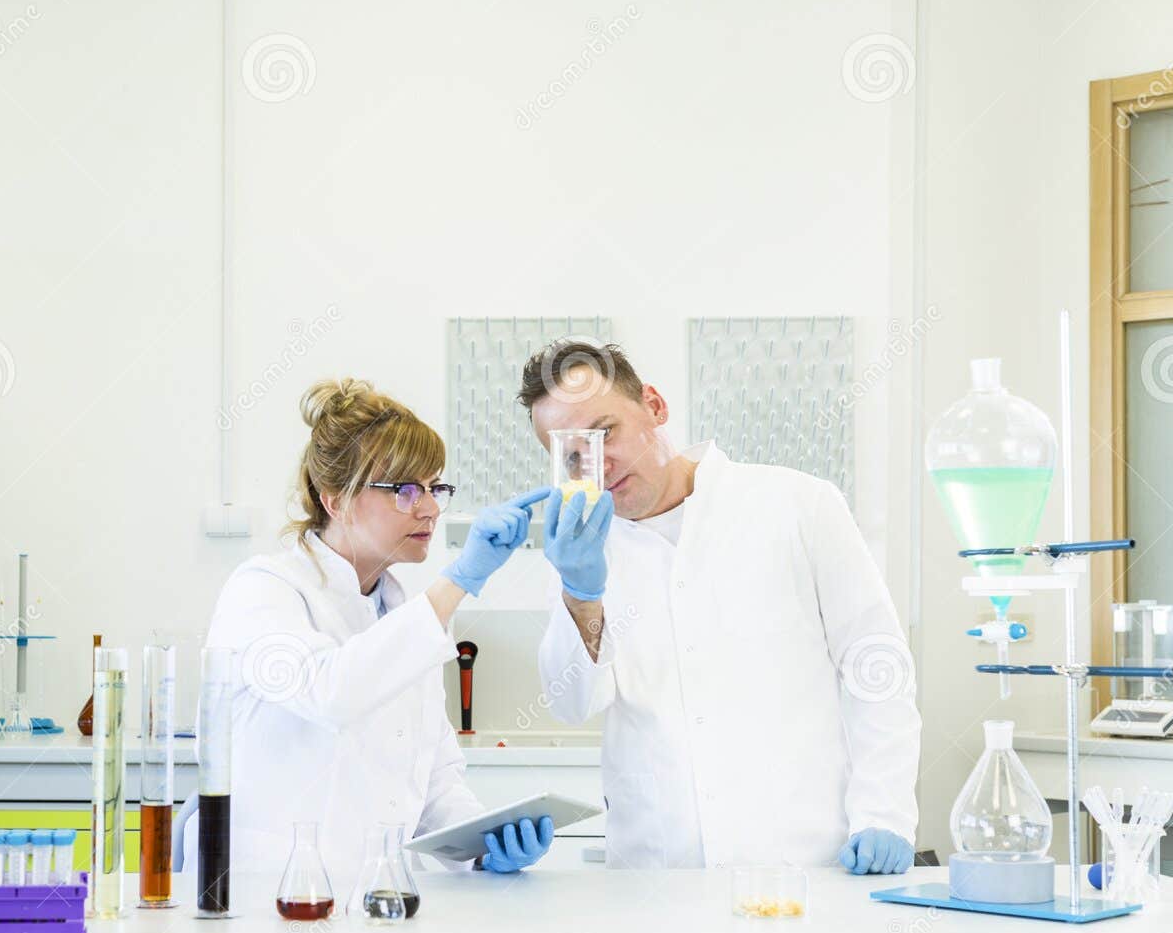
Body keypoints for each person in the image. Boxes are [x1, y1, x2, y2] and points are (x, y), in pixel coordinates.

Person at [522, 340, 920, 875]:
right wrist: (580, 591)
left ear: (655, 406)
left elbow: (876, 666)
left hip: (804, 863)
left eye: (605, 431)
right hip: (656, 875)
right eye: (573, 453)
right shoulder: (579, 551)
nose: (598, 461)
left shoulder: (799, 505)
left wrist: (885, 812)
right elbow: (572, 704)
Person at [204, 378, 554, 883]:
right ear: (335, 501)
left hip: (382, 898)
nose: (430, 508)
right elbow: (332, 693)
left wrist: (484, 844)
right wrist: (459, 581)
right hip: (270, 899)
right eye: (406, 490)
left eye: (436, 487)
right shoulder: (264, 590)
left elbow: (434, 782)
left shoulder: (399, 611)